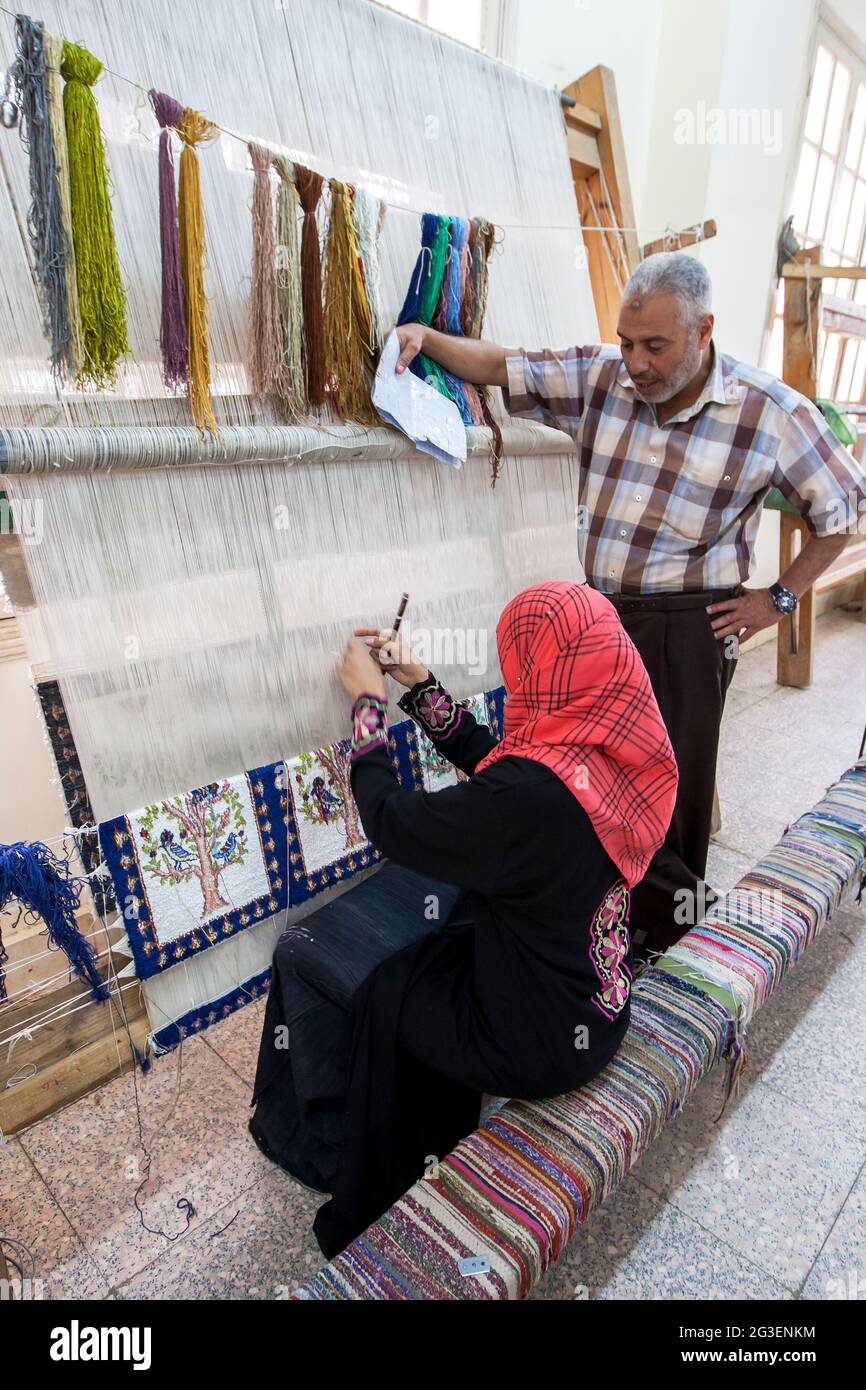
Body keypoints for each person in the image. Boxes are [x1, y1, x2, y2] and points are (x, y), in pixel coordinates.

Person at [394, 251, 866, 950]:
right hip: (600, 620)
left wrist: (780, 599)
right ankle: (596, 930)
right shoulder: (601, 380)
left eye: (655, 346)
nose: (636, 362)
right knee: (589, 787)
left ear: (704, 331)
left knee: (664, 799)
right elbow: (501, 368)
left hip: (689, 628)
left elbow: (844, 510)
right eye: (626, 341)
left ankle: (673, 947)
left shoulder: (769, 413)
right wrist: (425, 340)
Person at [252, 581, 677, 1259]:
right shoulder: (614, 747)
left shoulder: (527, 799)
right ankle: (433, 1134)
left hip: (540, 1049)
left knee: (386, 996)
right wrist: (419, 685)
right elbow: (497, 762)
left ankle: (381, 1184)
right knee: (437, 950)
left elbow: (392, 821)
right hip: (600, 1007)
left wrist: (366, 707)